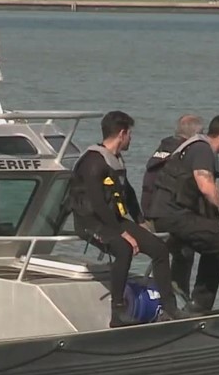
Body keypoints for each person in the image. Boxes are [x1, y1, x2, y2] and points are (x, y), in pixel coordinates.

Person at [68, 110, 181, 327]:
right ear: (122, 133)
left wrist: (140, 223)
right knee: (124, 248)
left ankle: (170, 308)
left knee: (160, 249)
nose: (131, 139)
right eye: (130, 134)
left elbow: (127, 193)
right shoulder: (93, 161)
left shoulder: (116, 160)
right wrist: (124, 234)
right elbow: (97, 203)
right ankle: (117, 313)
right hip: (90, 222)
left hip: (113, 220)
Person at [145, 114, 219, 313]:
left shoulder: (198, 149)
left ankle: (199, 305)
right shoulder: (202, 149)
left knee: (215, 244)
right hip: (173, 216)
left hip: (168, 214)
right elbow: (206, 187)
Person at [140, 114, 210, 304]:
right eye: (202, 135)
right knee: (190, 245)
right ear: (196, 135)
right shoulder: (184, 155)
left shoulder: (163, 149)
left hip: (148, 215)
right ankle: (181, 296)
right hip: (162, 219)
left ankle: (170, 292)